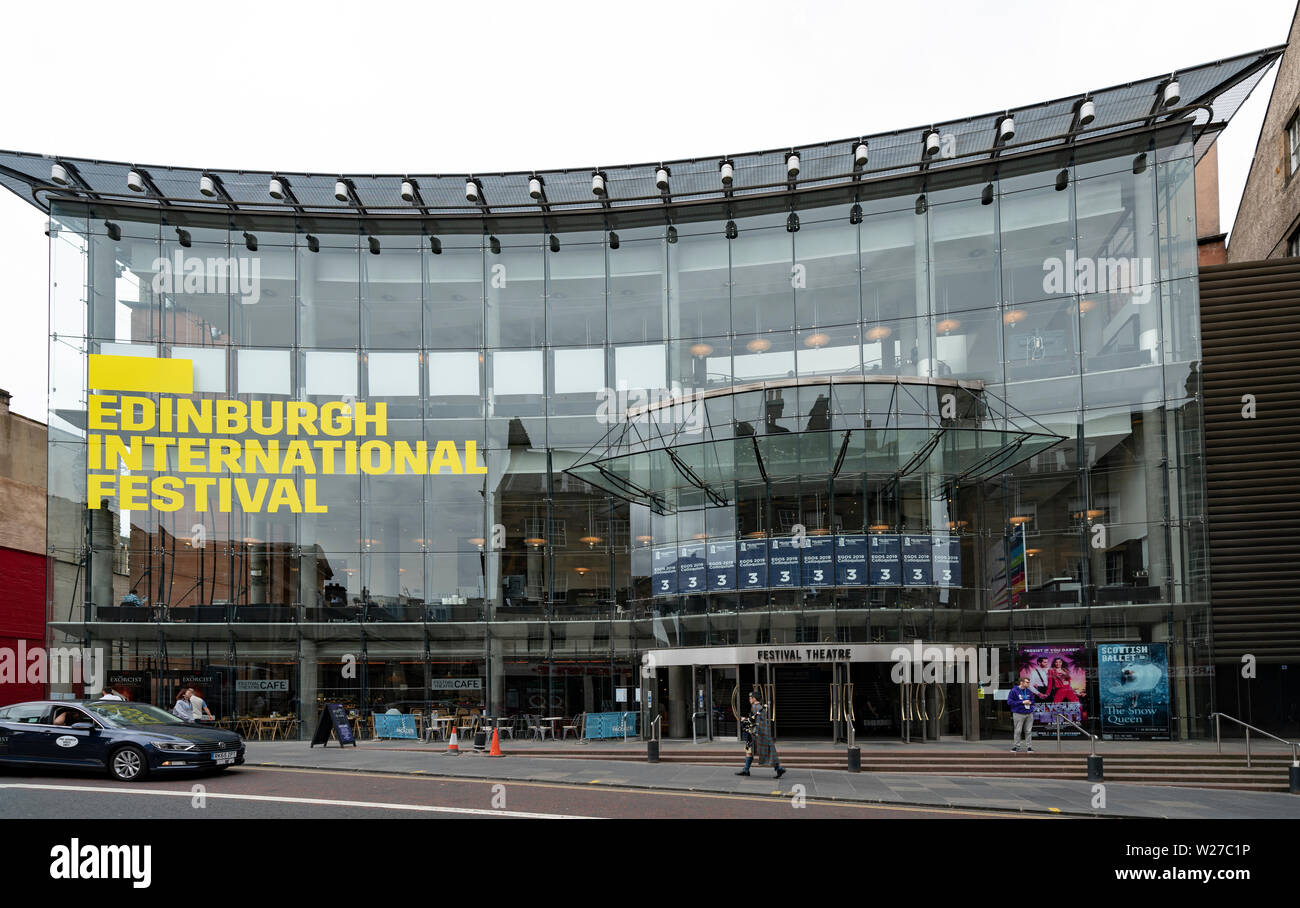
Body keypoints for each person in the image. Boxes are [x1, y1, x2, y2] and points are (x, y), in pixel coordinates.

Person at [736, 692, 786, 779]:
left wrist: (745, 719)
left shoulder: (756, 707)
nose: (750, 699)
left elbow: (755, 722)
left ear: (755, 699)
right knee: (751, 751)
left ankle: (778, 768)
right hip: (760, 734)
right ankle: (746, 770)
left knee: (765, 752)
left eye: (751, 698)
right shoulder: (759, 707)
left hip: (757, 735)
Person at [1008, 676, 1035, 752]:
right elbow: (1009, 702)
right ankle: (1016, 746)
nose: (1028, 684)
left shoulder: (1029, 691)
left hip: (1029, 713)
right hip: (1018, 713)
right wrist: (1022, 702)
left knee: (1028, 731)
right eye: (1027, 682)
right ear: (1021, 682)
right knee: (1018, 731)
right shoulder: (1014, 691)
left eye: (1029, 682)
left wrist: (1030, 702)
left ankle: (1029, 747)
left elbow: (1033, 700)